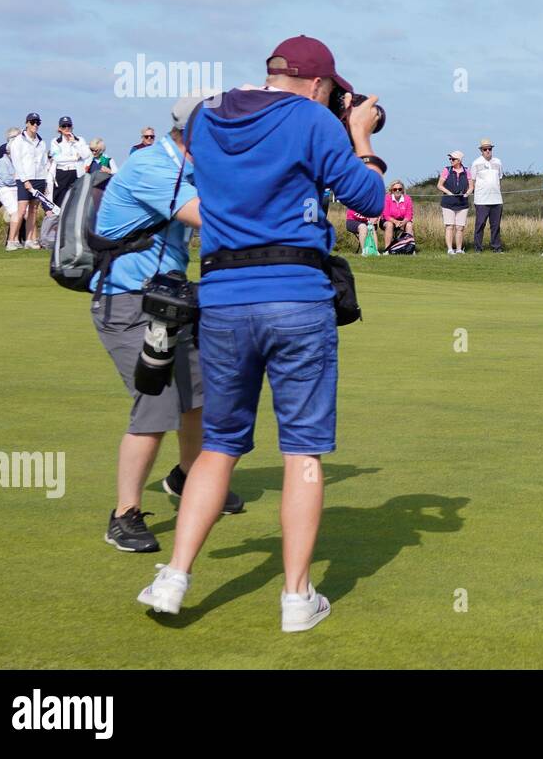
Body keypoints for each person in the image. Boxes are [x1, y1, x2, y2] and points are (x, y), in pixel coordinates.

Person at [137, 35, 385, 630]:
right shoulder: (313, 120)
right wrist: (360, 136)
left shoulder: (205, 119)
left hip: (222, 298)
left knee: (219, 445)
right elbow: (371, 199)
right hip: (296, 297)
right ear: (321, 85)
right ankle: (297, 599)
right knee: (301, 448)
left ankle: (174, 577)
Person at [94, 95, 245, 554]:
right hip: (126, 301)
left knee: (199, 396)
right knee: (156, 403)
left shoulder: (194, 165)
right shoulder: (151, 167)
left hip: (170, 300)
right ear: (195, 132)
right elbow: (207, 217)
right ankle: (124, 514)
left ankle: (185, 478)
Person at [9, 112, 48, 249]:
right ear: (27, 123)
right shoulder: (18, 141)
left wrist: (46, 181)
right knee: (21, 210)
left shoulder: (41, 142)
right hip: (24, 178)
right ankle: (11, 241)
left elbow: (44, 163)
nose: (35, 125)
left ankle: (29, 240)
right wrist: (25, 180)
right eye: (32, 122)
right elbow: (17, 162)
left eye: (38, 122)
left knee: (34, 210)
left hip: (39, 179)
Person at [48, 115, 93, 206]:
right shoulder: (55, 141)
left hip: (76, 173)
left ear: (72, 127)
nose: (66, 128)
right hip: (62, 174)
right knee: (59, 203)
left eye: (68, 126)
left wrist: (75, 143)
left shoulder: (80, 140)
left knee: (75, 203)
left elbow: (86, 155)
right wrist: (75, 158)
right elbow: (58, 158)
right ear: (60, 128)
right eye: (64, 126)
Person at [469, 138, 504, 253]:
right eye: (485, 149)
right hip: (481, 200)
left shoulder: (498, 162)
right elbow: (473, 180)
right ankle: (478, 248)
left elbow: (499, 178)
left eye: (489, 149)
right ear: (481, 151)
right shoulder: (476, 163)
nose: (488, 151)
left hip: (497, 199)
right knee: (480, 224)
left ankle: (496, 247)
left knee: (495, 225)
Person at [437, 150, 472, 254]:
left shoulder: (467, 171)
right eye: (450, 159)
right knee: (450, 226)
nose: (451, 160)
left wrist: (467, 194)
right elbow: (439, 185)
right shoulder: (446, 170)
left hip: (463, 204)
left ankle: (459, 249)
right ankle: (450, 249)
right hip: (448, 203)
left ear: (459, 160)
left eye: (453, 159)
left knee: (460, 227)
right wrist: (449, 193)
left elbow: (471, 187)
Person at [0, 129, 20, 249]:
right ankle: (11, 241)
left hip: (16, 186)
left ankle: (17, 240)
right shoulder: (3, 150)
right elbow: (4, 176)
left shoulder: (21, 149)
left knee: (21, 212)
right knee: (15, 212)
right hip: (3, 185)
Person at [381, 180, 414, 251]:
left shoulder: (408, 199)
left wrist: (404, 222)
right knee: (390, 225)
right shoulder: (387, 198)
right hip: (388, 220)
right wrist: (395, 222)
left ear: (402, 190)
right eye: (395, 189)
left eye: (400, 189)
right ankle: (387, 249)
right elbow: (386, 215)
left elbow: (409, 215)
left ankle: (409, 249)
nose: (397, 191)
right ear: (392, 190)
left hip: (403, 221)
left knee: (409, 225)